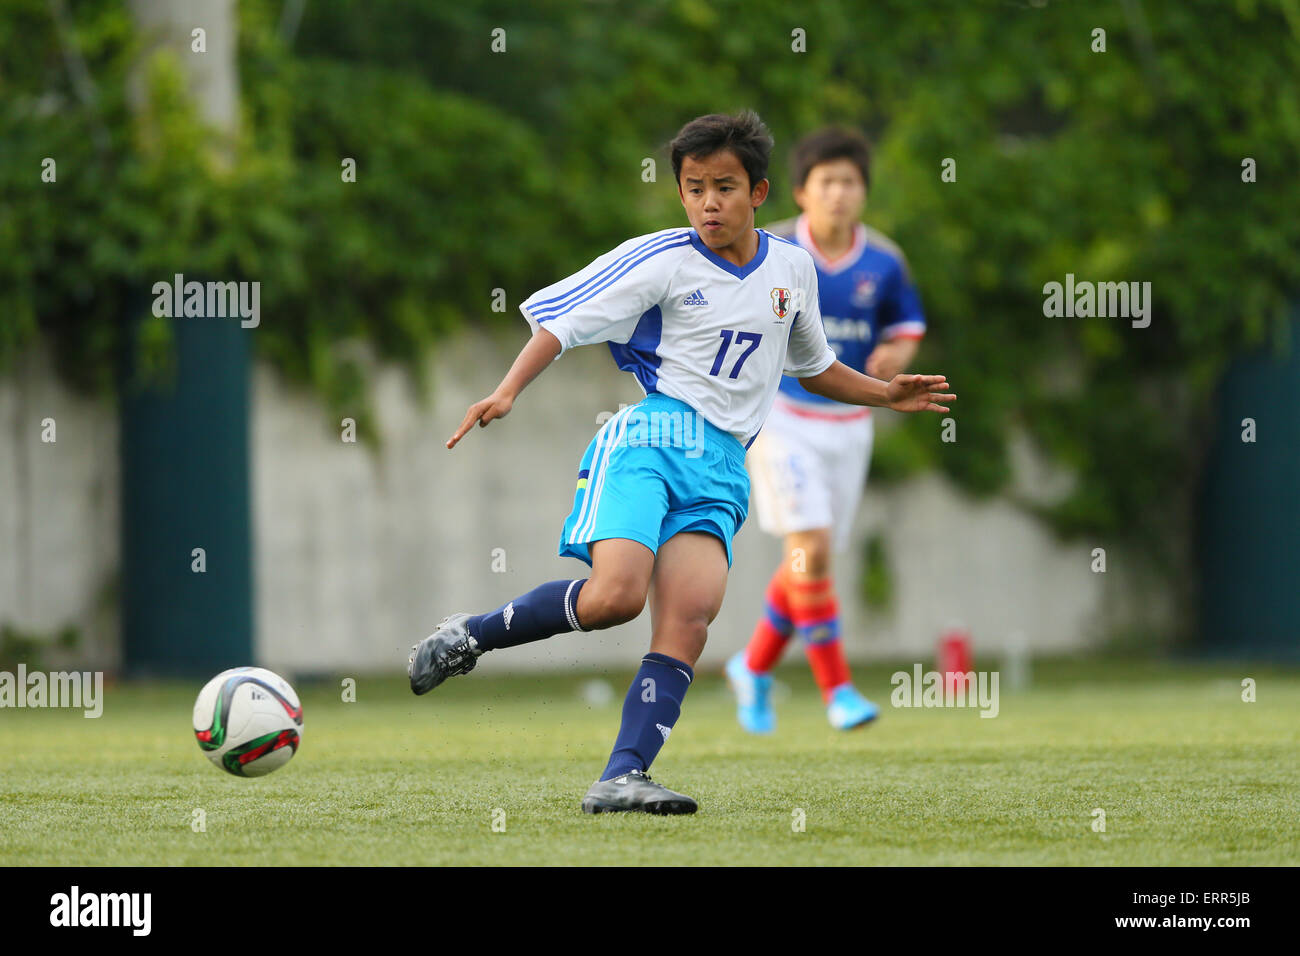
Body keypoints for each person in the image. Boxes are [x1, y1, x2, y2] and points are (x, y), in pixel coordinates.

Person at [407, 111, 953, 815]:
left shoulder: (791, 268)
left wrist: (884, 393)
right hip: (650, 443)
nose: (707, 203)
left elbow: (812, 365)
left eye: (723, 187)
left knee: (689, 621)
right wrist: (508, 390)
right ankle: (468, 635)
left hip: (723, 467)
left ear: (759, 193)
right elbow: (562, 320)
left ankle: (623, 775)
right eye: (694, 188)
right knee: (615, 599)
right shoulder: (663, 258)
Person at [727, 127, 927, 734]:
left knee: (805, 562)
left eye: (851, 182)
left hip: (852, 422)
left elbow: (905, 324)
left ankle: (752, 665)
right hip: (783, 418)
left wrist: (896, 356)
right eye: (827, 182)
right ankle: (837, 690)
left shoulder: (885, 260)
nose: (839, 194)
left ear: (864, 192)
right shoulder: (774, 248)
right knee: (810, 548)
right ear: (801, 191)